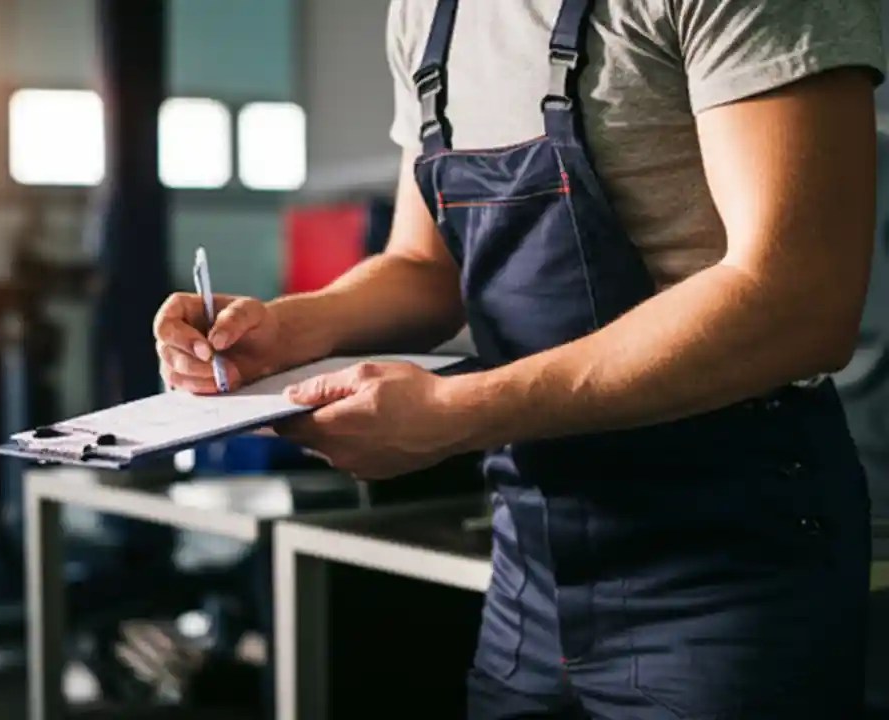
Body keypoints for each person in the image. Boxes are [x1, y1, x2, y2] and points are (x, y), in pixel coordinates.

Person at [155, 0, 884, 716]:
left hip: (726, 563)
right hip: (531, 564)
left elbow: (799, 300)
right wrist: (287, 328)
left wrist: (455, 413)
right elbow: (424, 266)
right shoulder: (426, 12)